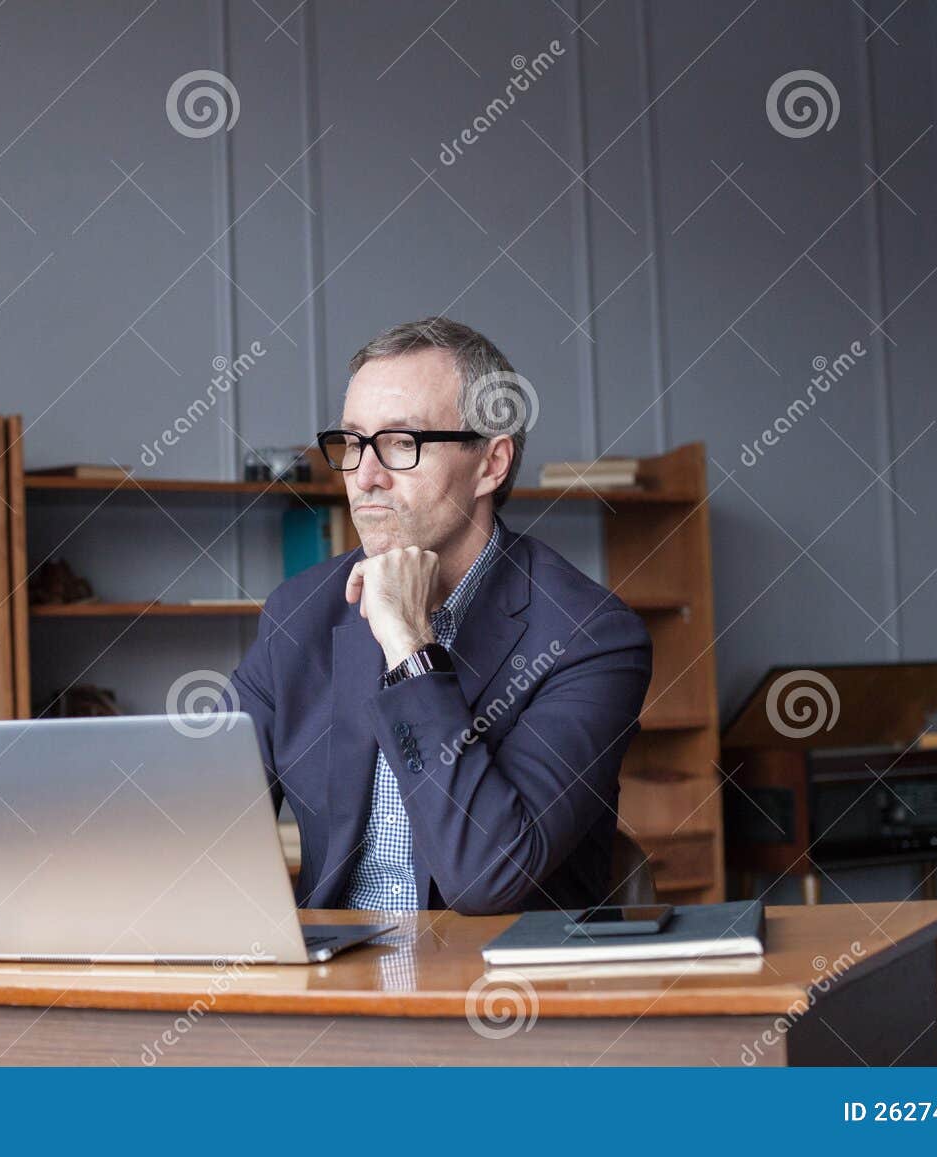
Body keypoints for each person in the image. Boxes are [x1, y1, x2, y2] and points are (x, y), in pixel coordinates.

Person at [230, 316, 651, 915]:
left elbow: (488, 876)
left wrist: (408, 646)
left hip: (505, 983)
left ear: (491, 464)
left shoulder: (592, 638)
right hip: (333, 982)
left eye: (403, 443)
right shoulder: (298, 613)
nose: (365, 477)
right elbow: (204, 830)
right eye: (352, 443)